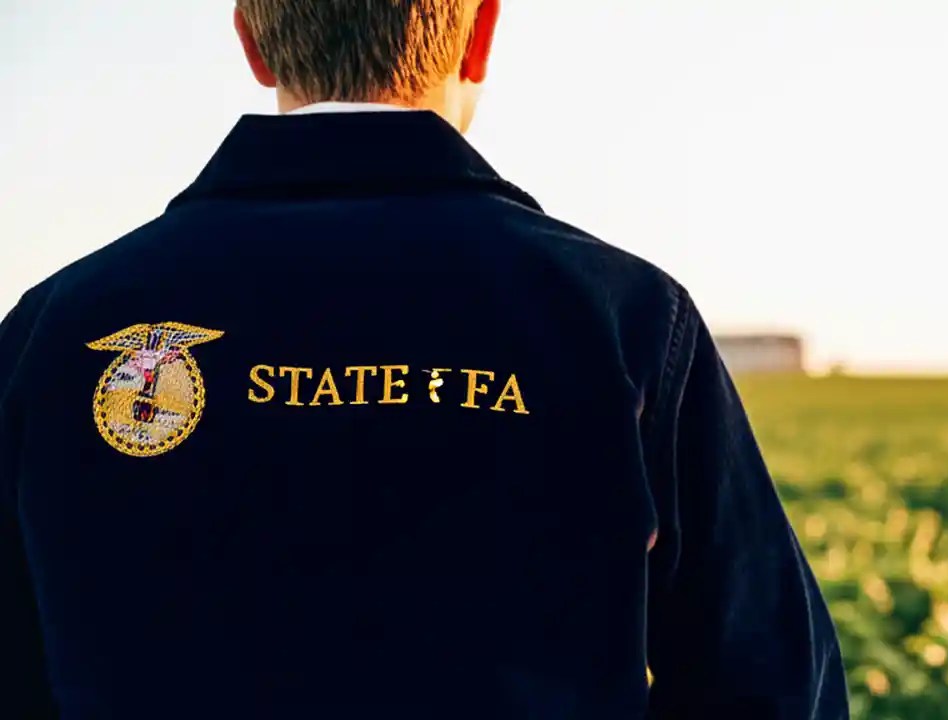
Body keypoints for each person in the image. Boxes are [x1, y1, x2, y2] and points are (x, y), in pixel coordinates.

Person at [0, 1, 848, 717]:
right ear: (480, 33)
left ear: (251, 41)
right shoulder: (619, 316)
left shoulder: (59, 328)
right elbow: (769, 683)